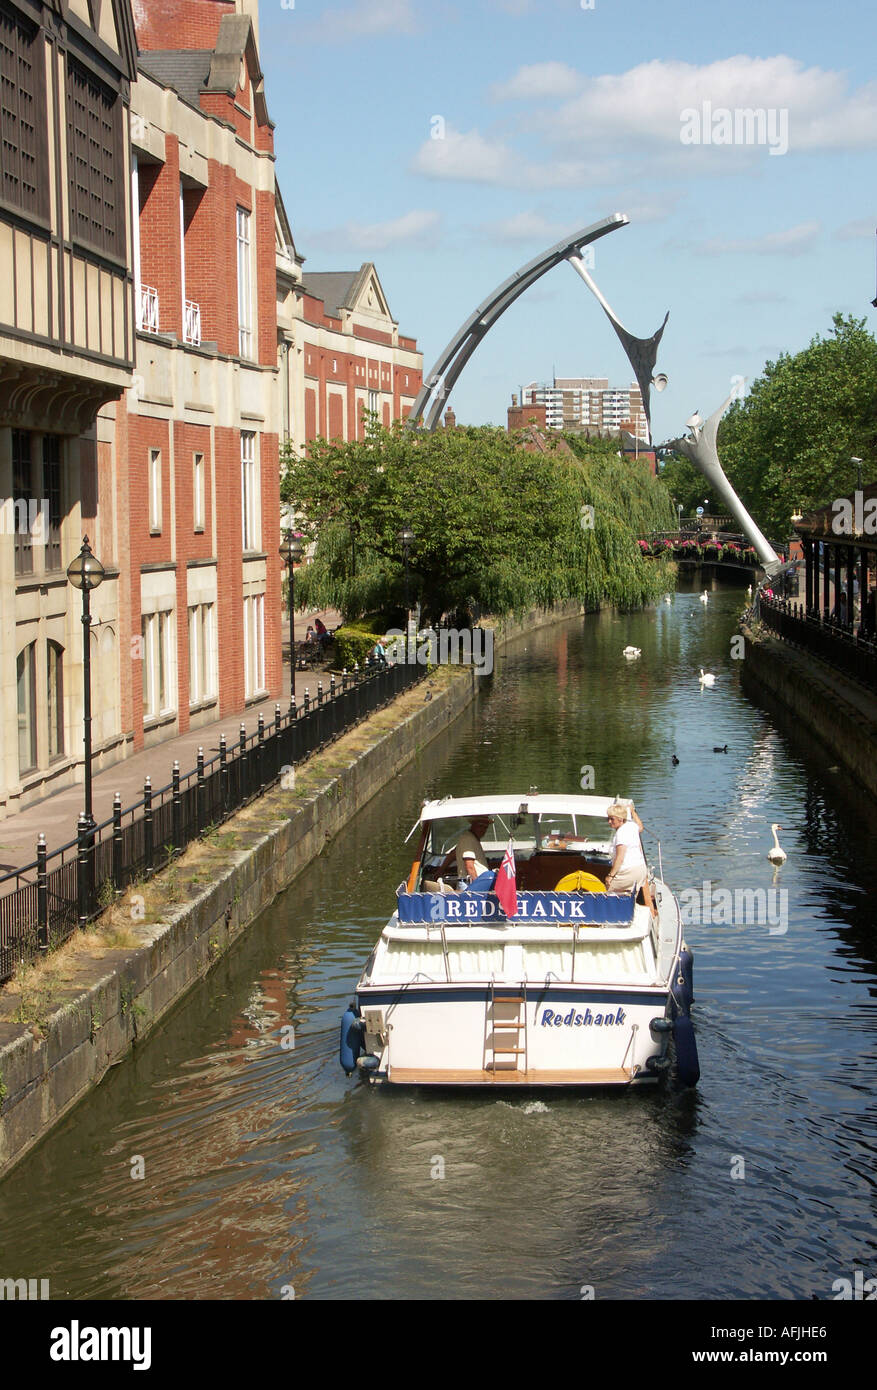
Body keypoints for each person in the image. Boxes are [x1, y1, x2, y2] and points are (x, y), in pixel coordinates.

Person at [604, 802, 647, 896]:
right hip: (640, 870)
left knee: (608, 894)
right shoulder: (631, 826)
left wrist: (610, 876)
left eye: (612, 819)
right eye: (608, 818)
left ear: (621, 819)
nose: (609, 822)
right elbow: (640, 827)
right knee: (631, 898)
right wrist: (633, 812)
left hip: (628, 872)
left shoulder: (621, 833)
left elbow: (620, 857)